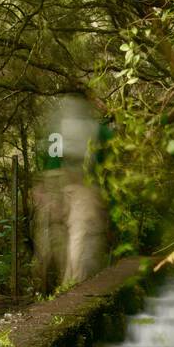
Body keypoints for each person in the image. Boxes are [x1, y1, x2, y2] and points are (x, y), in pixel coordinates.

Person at [32, 93, 109, 291]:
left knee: (60, 244)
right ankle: (72, 288)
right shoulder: (98, 130)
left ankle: (59, 289)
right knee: (80, 241)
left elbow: (50, 158)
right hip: (82, 187)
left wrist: (46, 188)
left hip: (57, 185)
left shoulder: (58, 129)